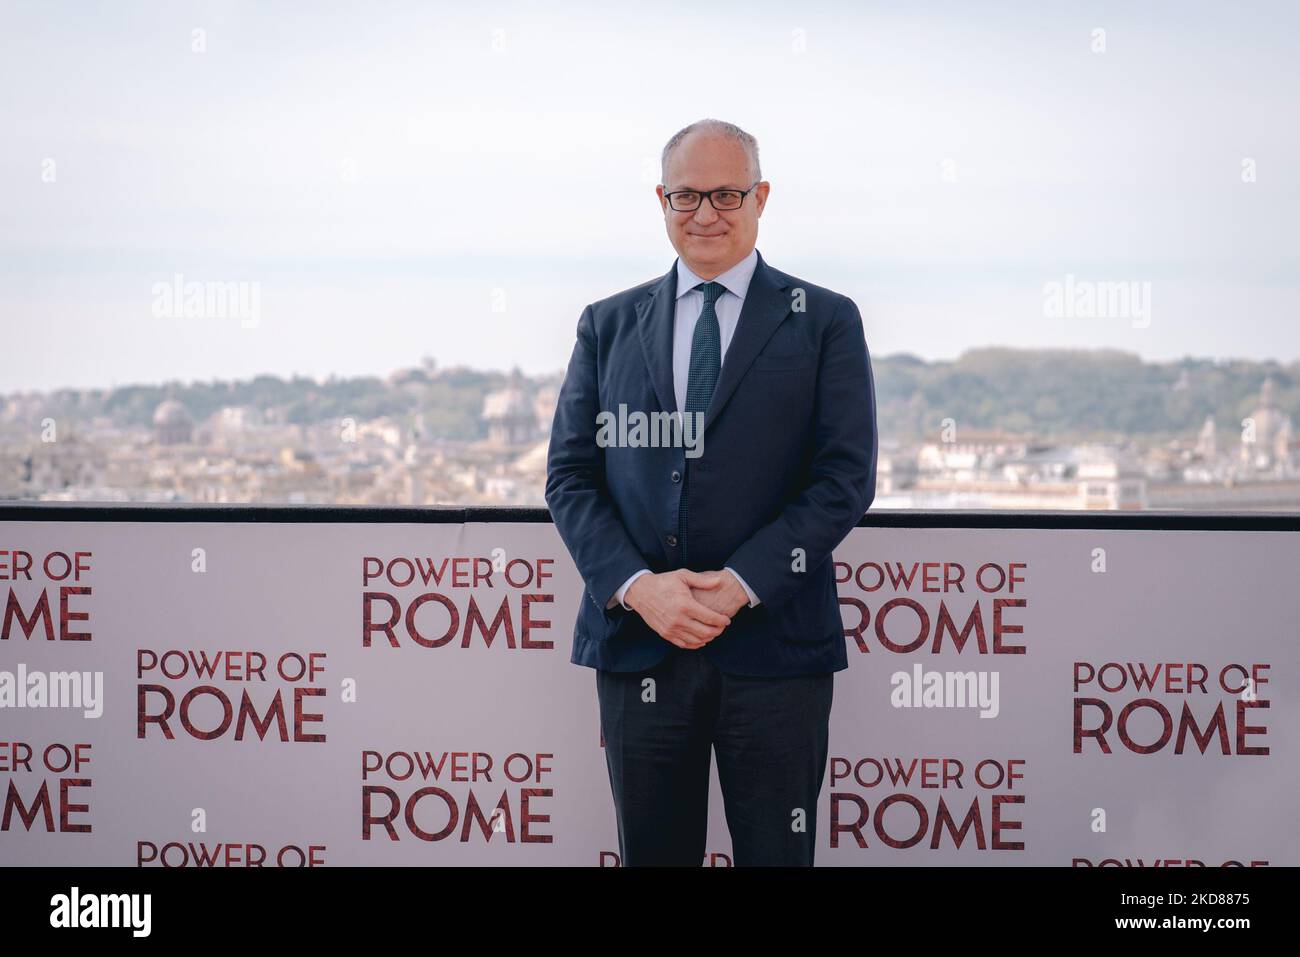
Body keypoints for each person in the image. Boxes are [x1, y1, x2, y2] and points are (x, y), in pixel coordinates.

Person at [545, 118, 877, 866]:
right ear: (661, 200)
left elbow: (845, 478)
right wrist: (638, 588)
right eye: (687, 195)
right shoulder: (607, 324)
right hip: (641, 649)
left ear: (761, 198)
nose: (706, 213)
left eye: (727, 193)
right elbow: (569, 476)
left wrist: (740, 584)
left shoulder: (825, 321)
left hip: (776, 650)